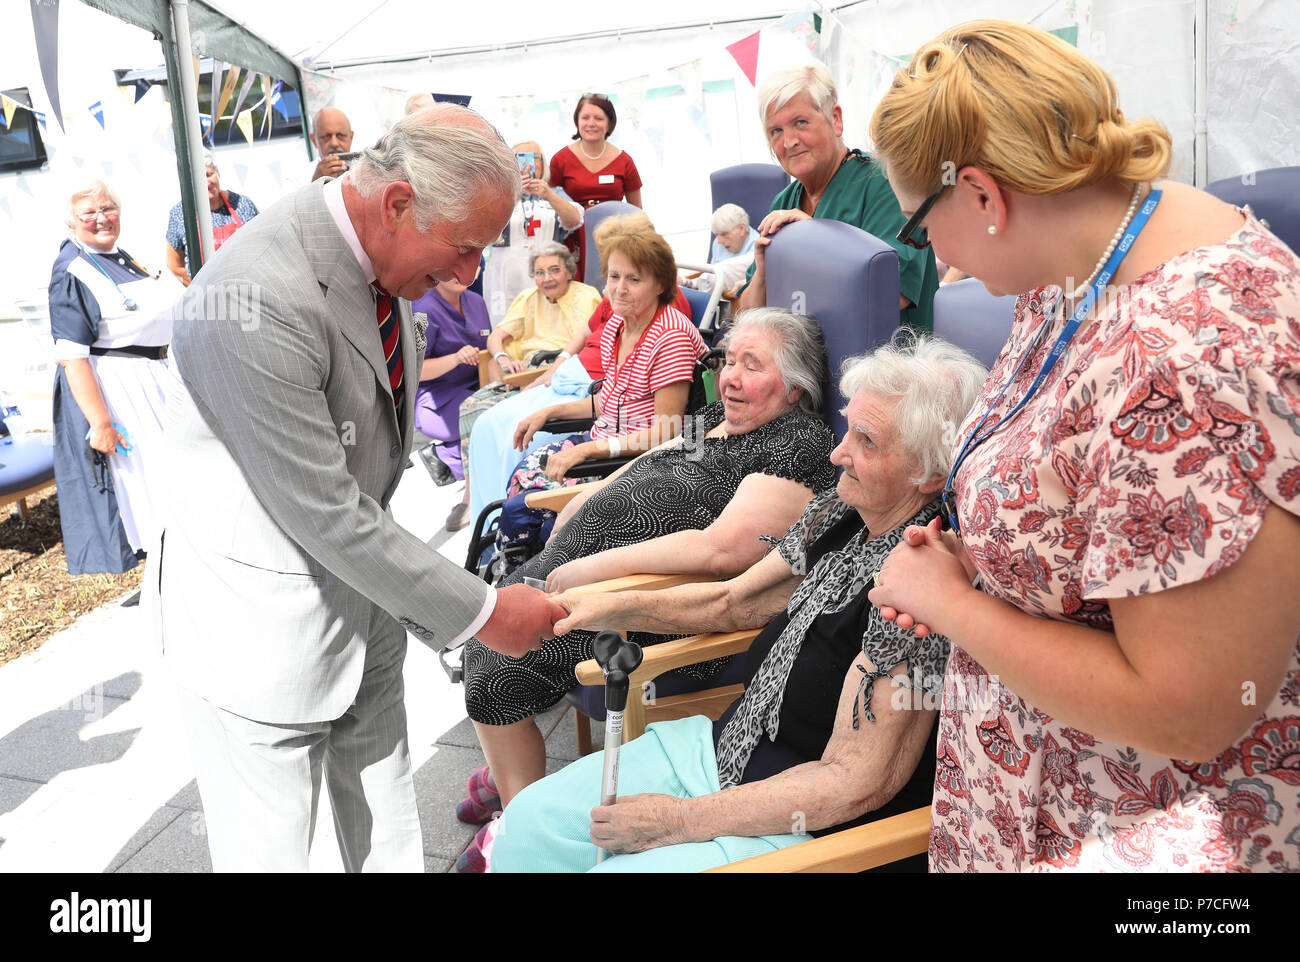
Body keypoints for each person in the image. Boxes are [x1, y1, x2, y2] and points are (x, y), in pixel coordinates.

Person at [865, 19, 1300, 872]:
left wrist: (958, 606)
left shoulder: (1184, 351)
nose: (932, 257)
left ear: (984, 195)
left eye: (921, 227)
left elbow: (1187, 709)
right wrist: (982, 560)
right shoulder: (1086, 253)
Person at [154, 104, 565, 873]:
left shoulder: (382, 262)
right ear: (399, 204)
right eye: (465, 248)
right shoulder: (252, 298)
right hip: (260, 635)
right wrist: (484, 614)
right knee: (269, 853)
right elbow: (325, 512)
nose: (469, 274)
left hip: (365, 609)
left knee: (387, 830)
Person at [488, 334, 987, 872]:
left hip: (800, 826)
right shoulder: (840, 512)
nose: (837, 453)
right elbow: (735, 600)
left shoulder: (920, 585)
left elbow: (855, 783)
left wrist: (680, 820)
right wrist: (598, 608)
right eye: (849, 430)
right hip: (723, 751)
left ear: (932, 474)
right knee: (531, 822)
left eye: (866, 442)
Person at [453, 307, 838, 871]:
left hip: (645, 612)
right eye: (727, 360)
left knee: (495, 665)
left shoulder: (798, 445)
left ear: (798, 387)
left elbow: (722, 551)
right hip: (586, 576)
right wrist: (591, 496)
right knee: (490, 626)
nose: (728, 376)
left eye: (750, 366)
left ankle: (516, 824)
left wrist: (591, 568)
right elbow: (665, 453)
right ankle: (513, 782)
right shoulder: (726, 419)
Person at [490, 221, 707, 558]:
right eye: (614, 277)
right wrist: (549, 412)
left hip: (644, 463)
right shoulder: (617, 327)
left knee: (523, 511)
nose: (619, 289)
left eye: (634, 279)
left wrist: (588, 450)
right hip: (607, 444)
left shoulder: (671, 338)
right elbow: (610, 401)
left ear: (661, 284)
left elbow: (667, 432)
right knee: (525, 472)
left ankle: (525, 582)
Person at [735, 61, 939, 333]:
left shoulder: (887, 183)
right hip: (808, 369)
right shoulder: (783, 203)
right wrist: (762, 274)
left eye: (800, 122)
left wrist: (813, 236)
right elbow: (748, 316)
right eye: (776, 131)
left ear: (836, 119)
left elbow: (891, 296)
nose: (789, 142)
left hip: (887, 367)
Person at [48, 178, 183, 574]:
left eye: (107, 208)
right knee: (148, 483)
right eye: (88, 213)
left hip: (159, 377)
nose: (101, 218)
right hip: (123, 390)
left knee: (177, 475)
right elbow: (72, 357)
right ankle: (166, 574)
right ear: (71, 224)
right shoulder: (73, 272)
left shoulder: (124, 255)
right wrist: (100, 423)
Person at [452, 242, 601, 529]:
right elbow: (497, 336)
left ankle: (500, 503)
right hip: (524, 373)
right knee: (474, 409)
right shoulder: (528, 298)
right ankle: (474, 496)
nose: (547, 278)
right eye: (540, 272)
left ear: (569, 272)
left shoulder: (587, 297)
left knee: (509, 427)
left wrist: (552, 369)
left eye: (554, 270)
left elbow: (588, 348)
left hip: (561, 373)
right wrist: (503, 358)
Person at [409, 275, 491, 527]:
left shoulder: (476, 301)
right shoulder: (421, 308)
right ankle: (469, 498)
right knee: (480, 421)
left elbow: (488, 349)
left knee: (501, 418)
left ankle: (447, 454)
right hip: (434, 396)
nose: (462, 274)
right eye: (452, 269)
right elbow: (414, 368)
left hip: (475, 387)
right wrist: (455, 358)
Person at [482, 141, 583, 324]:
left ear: (543, 163)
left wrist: (548, 195)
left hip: (546, 274)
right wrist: (511, 193)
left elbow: (574, 220)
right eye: (520, 158)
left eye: (534, 158)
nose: (527, 163)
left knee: (545, 324)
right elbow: (484, 224)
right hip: (505, 274)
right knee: (507, 325)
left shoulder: (556, 192)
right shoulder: (499, 193)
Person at [548, 94, 643, 281]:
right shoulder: (560, 160)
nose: (591, 123)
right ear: (577, 122)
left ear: (609, 124)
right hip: (574, 242)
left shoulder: (624, 161)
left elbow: (637, 211)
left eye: (598, 118)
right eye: (585, 118)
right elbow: (551, 203)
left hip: (614, 240)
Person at [164, 151, 259, 285]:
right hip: (208, 296)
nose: (206, 182)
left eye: (209, 174)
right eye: (198, 178)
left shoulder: (243, 204)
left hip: (248, 288)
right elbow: (174, 264)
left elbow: (263, 246)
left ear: (218, 174)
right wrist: (198, 286)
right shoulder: (181, 213)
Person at [309, 106, 355, 182]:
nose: (334, 143)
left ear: (351, 137)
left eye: (340, 135)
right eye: (326, 136)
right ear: (314, 140)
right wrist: (315, 185)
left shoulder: (368, 172)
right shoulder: (297, 180)